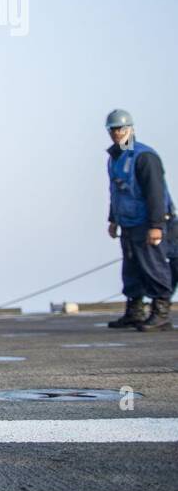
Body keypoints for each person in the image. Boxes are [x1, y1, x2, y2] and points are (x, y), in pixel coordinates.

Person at [104, 109, 175, 332]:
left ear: (131, 129)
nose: (117, 133)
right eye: (113, 129)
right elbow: (115, 191)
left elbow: (155, 193)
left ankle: (160, 312)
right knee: (131, 269)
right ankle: (134, 312)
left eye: (121, 128)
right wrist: (113, 219)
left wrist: (156, 226)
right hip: (128, 223)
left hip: (148, 223)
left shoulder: (144, 156)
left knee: (153, 267)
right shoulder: (115, 158)